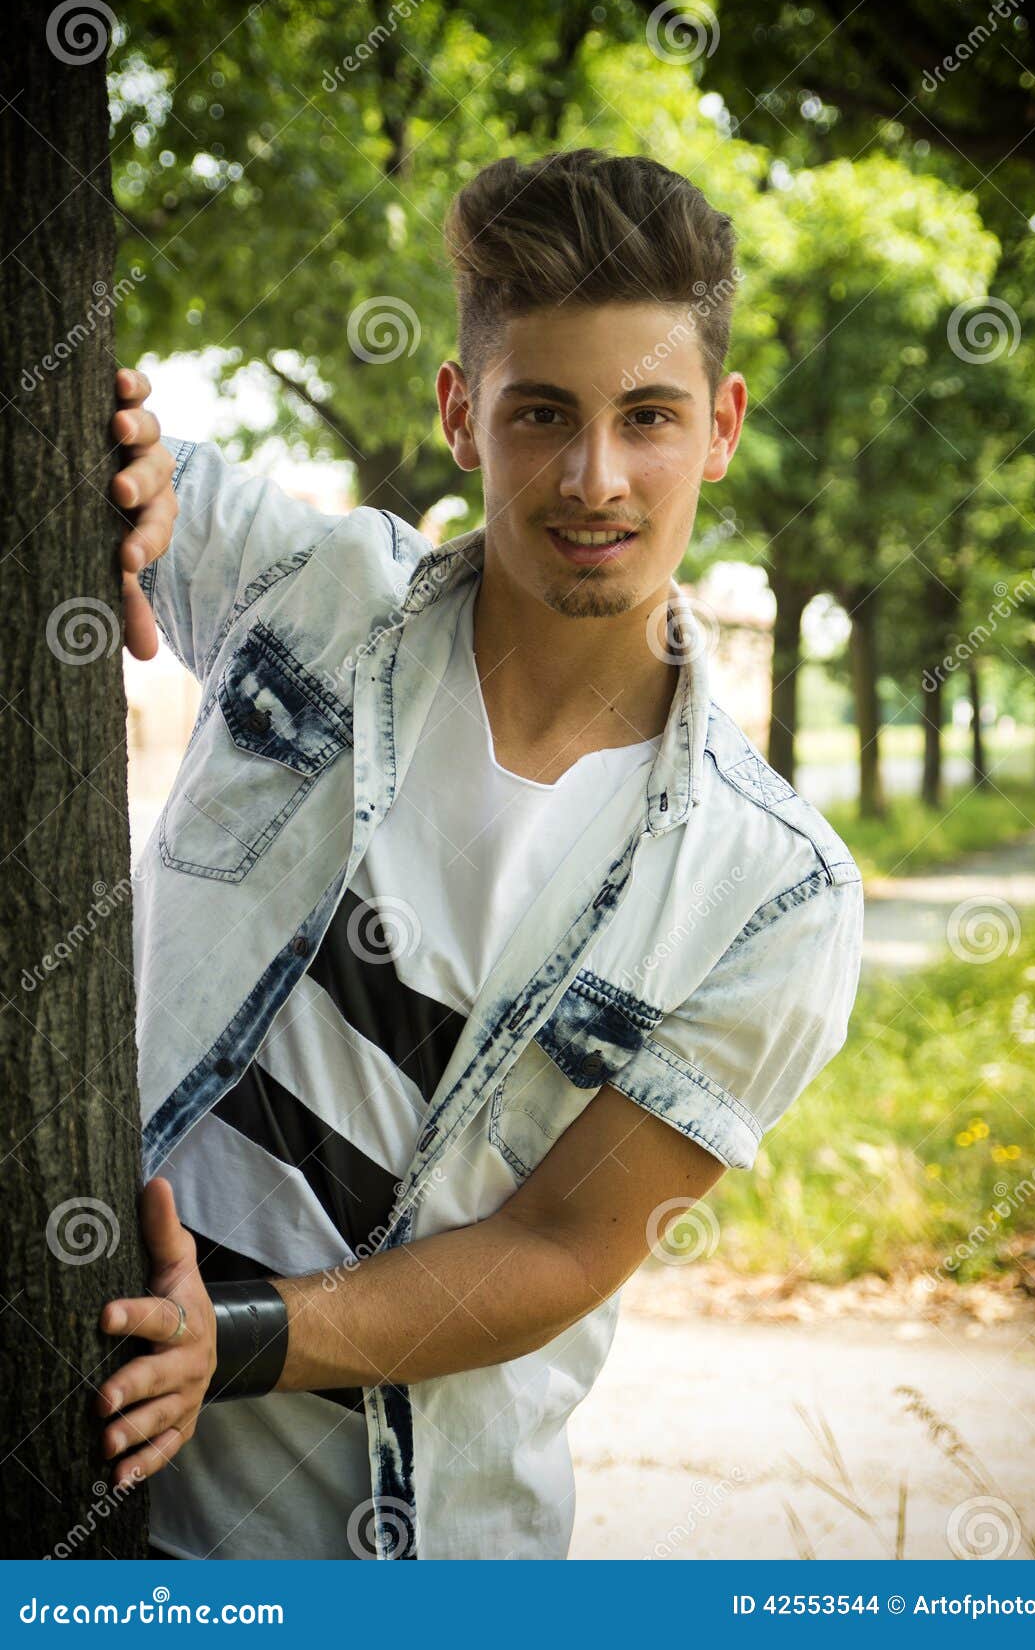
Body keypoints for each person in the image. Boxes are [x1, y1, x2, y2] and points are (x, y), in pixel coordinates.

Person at [99, 148, 864, 1561]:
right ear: (461, 412)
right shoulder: (317, 589)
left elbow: (561, 1246)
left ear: (722, 425)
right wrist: (113, 452)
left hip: (418, 1552)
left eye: (648, 416)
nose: (594, 477)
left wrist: (239, 1337)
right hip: (85, 1490)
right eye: (542, 415)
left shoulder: (775, 892)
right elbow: (110, 447)